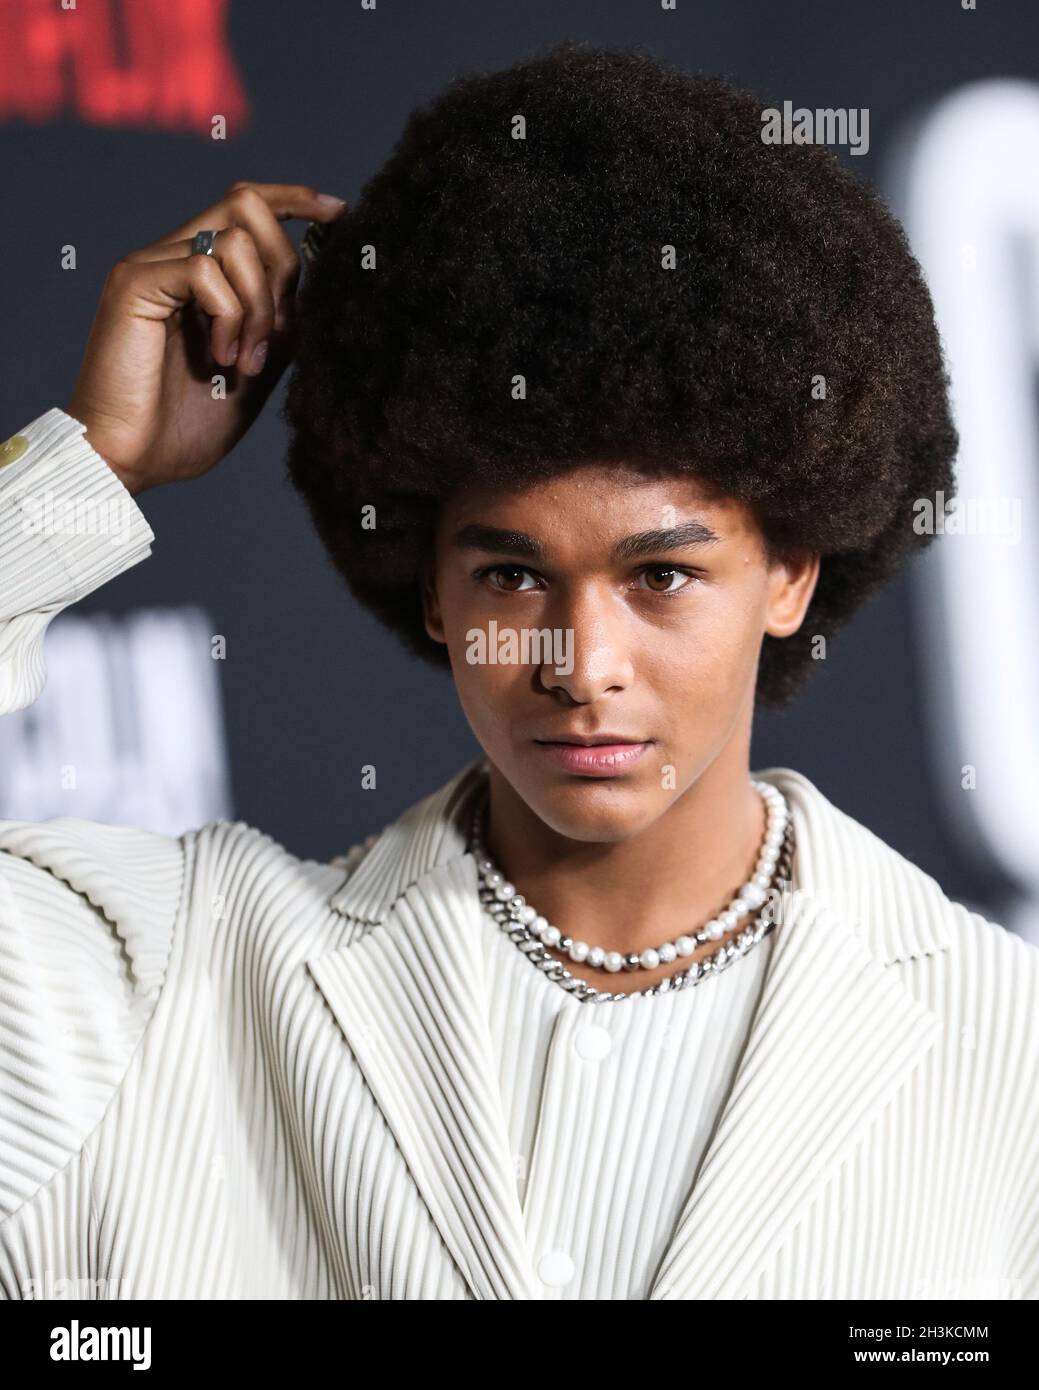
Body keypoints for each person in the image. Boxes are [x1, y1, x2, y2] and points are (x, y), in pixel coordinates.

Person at [1, 41, 1036, 1302]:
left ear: (791, 576)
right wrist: (88, 472)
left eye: (661, 577)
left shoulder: (1006, 1048)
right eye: (509, 575)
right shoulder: (163, 973)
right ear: (429, 585)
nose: (580, 664)